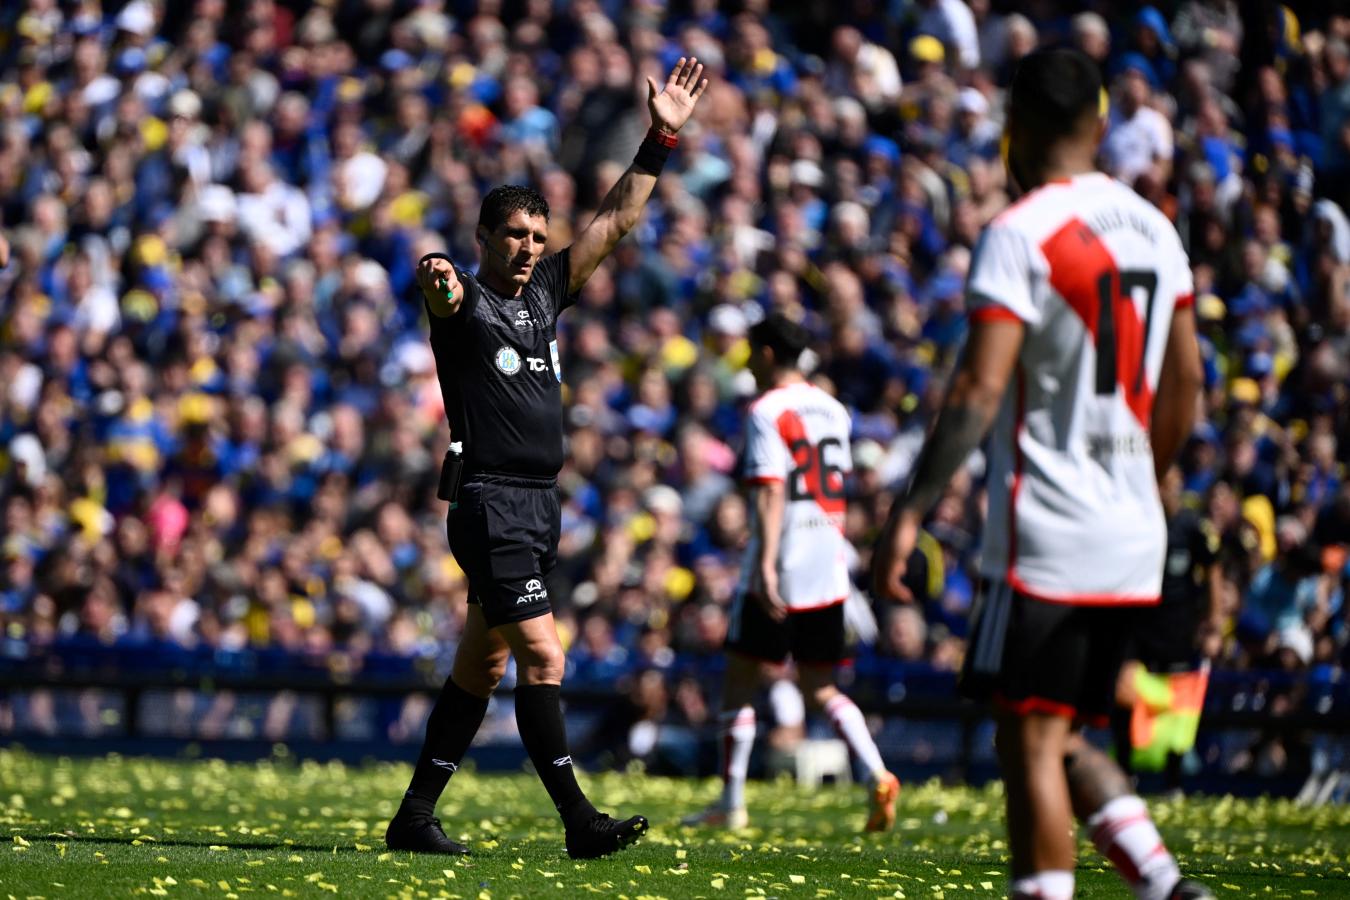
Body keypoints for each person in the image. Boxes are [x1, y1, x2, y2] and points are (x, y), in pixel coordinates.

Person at [871, 49, 1213, 900]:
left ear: (1012, 129)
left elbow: (982, 387)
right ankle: (1167, 887)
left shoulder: (1021, 232)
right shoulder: (1155, 229)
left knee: (1026, 741)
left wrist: (911, 510)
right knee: (1056, 735)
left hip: (1048, 535)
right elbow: (1188, 387)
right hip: (1133, 529)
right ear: (1100, 124)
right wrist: (1146, 479)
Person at [385, 57, 708, 859]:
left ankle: (414, 817)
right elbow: (442, 293)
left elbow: (617, 220)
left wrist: (662, 134)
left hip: (537, 506)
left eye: (537, 236)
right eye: (515, 236)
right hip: (490, 501)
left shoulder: (543, 295)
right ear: (484, 241)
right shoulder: (467, 303)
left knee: (480, 668)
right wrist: (435, 279)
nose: (530, 248)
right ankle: (578, 820)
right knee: (544, 654)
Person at [685, 313, 900, 832]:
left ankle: (731, 801)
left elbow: (772, 488)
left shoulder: (766, 410)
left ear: (764, 354)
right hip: (827, 564)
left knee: (739, 681)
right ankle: (876, 772)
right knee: (822, 687)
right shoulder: (833, 409)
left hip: (780, 562)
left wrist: (762, 565)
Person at [1112, 465, 1225, 791]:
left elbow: (1213, 570)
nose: (1163, 491)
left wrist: (1214, 622)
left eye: (1169, 484)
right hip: (1138, 623)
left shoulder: (1192, 528)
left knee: (1178, 706)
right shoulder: (1138, 523)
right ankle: (1124, 768)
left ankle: (1172, 780)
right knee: (1126, 691)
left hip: (1178, 626)